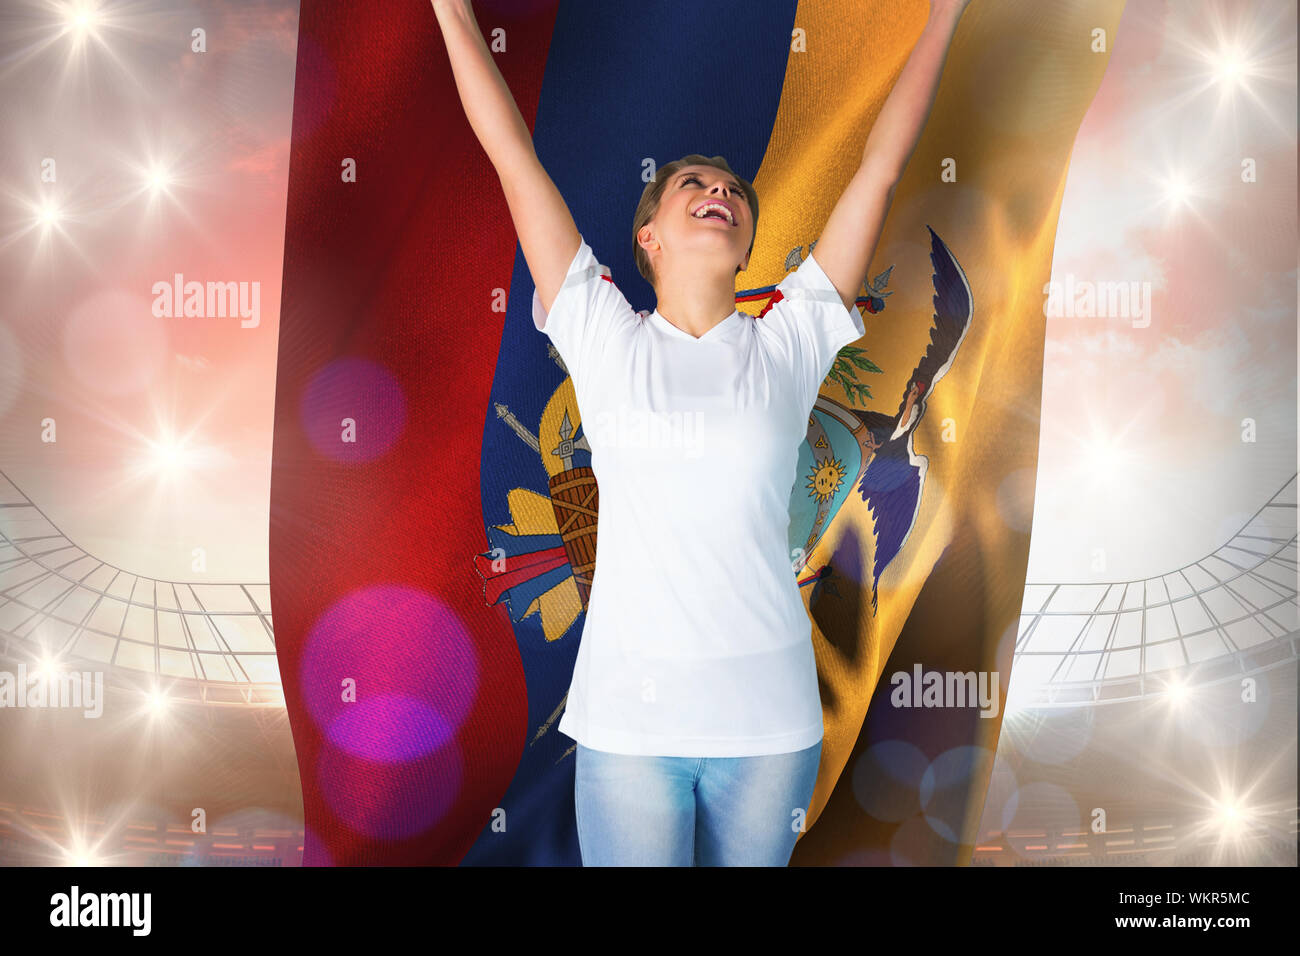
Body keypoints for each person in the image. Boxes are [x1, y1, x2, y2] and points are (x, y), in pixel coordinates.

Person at [432, 0, 971, 865]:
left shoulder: (793, 338)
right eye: (695, 186)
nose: (720, 193)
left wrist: (946, 11)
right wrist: (450, 12)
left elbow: (880, 167)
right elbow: (512, 158)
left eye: (732, 192)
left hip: (769, 729)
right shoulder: (601, 332)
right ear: (646, 237)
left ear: (749, 235)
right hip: (628, 730)